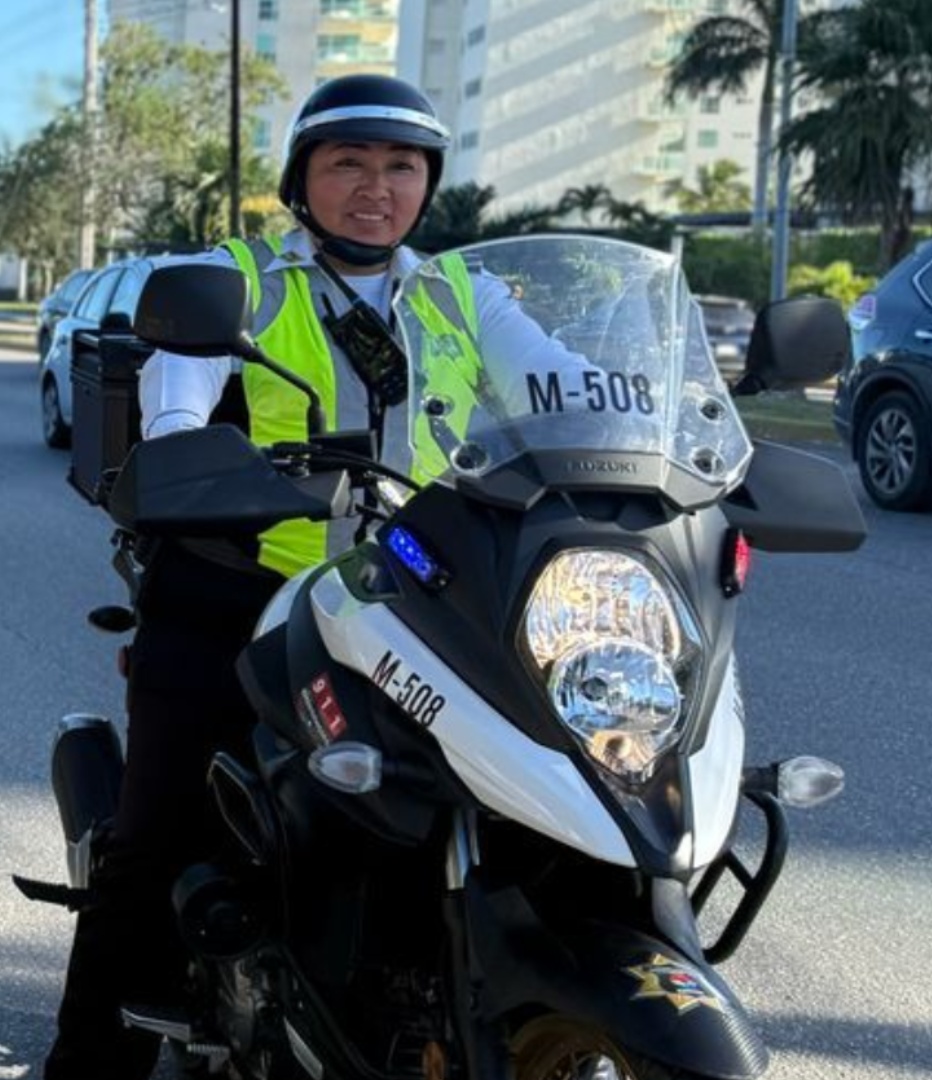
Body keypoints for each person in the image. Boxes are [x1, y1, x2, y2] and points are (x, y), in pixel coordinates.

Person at [42, 74, 589, 1080]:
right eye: (348, 164)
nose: (375, 188)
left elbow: (567, 392)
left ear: (428, 184)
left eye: (400, 167)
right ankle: (87, 1062)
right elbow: (176, 407)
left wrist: (650, 450)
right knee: (154, 835)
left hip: (424, 595)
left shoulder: (467, 292)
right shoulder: (237, 278)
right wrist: (192, 462)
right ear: (304, 180)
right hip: (247, 590)